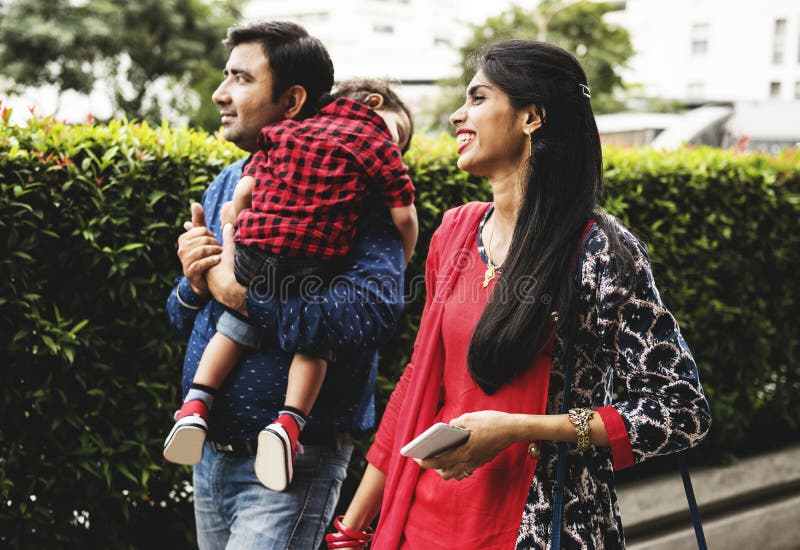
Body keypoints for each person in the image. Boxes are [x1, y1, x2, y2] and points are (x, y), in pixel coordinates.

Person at [325, 40, 711, 550]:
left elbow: (679, 411)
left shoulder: (598, 251)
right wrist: (353, 528)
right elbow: (420, 384)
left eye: (479, 98)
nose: (458, 115)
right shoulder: (455, 234)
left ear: (532, 116)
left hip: (540, 524)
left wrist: (517, 428)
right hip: (424, 522)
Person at [166, 21, 412, 549]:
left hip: (292, 465)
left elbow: (367, 315)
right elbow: (183, 318)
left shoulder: (359, 194)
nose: (220, 92)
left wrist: (244, 296)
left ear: (292, 99)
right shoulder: (228, 183)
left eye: (240, 78)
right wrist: (194, 282)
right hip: (209, 454)